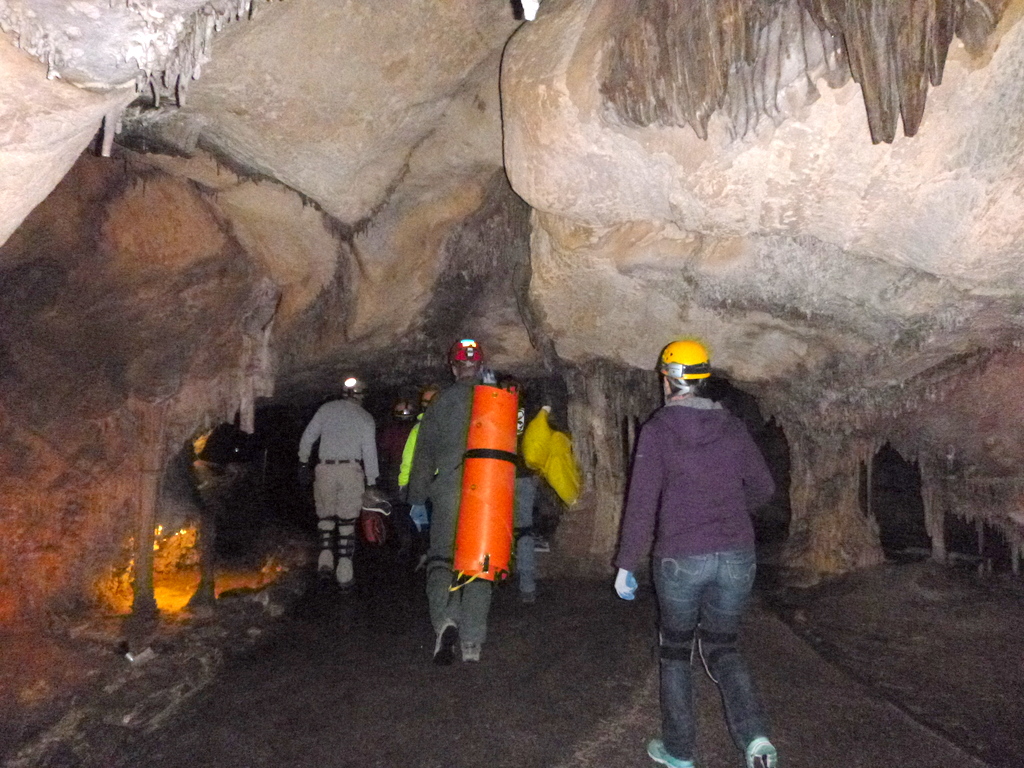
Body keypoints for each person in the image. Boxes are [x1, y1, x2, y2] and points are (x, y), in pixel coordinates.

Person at [613, 340, 778, 768]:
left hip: (680, 557)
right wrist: (731, 513)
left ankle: (680, 750)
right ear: (703, 378)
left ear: (669, 379)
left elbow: (641, 503)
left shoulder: (658, 429)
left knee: (676, 650)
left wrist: (626, 564)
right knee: (725, 646)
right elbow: (764, 488)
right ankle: (756, 739)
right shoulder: (734, 427)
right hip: (738, 555)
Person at [407, 339, 493, 664]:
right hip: (485, 492)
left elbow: (424, 455)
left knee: (442, 559)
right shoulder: (494, 399)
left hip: (449, 492)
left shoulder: (440, 402)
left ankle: (445, 619)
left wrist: (417, 499)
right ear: (480, 365)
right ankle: (472, 641)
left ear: (454, 367)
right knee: (480, 563)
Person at [298, 377, 379, 590]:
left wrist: (303, 463)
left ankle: (324, 562)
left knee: (325, 518)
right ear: (361, 395)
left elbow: (308, 437)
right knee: (347, 522)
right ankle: (344, 573)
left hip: (325, 469)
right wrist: (371, 481)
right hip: (350, 471)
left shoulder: (326, 409)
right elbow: (369, 453)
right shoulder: (365, 418)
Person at [499, 376, 540, 603]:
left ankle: (500, 573)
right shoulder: (530, 411)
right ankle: (527, 586)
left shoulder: (493, 407)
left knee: (502, 526)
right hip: (524, 475)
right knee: (523, 529)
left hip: (501, 475)